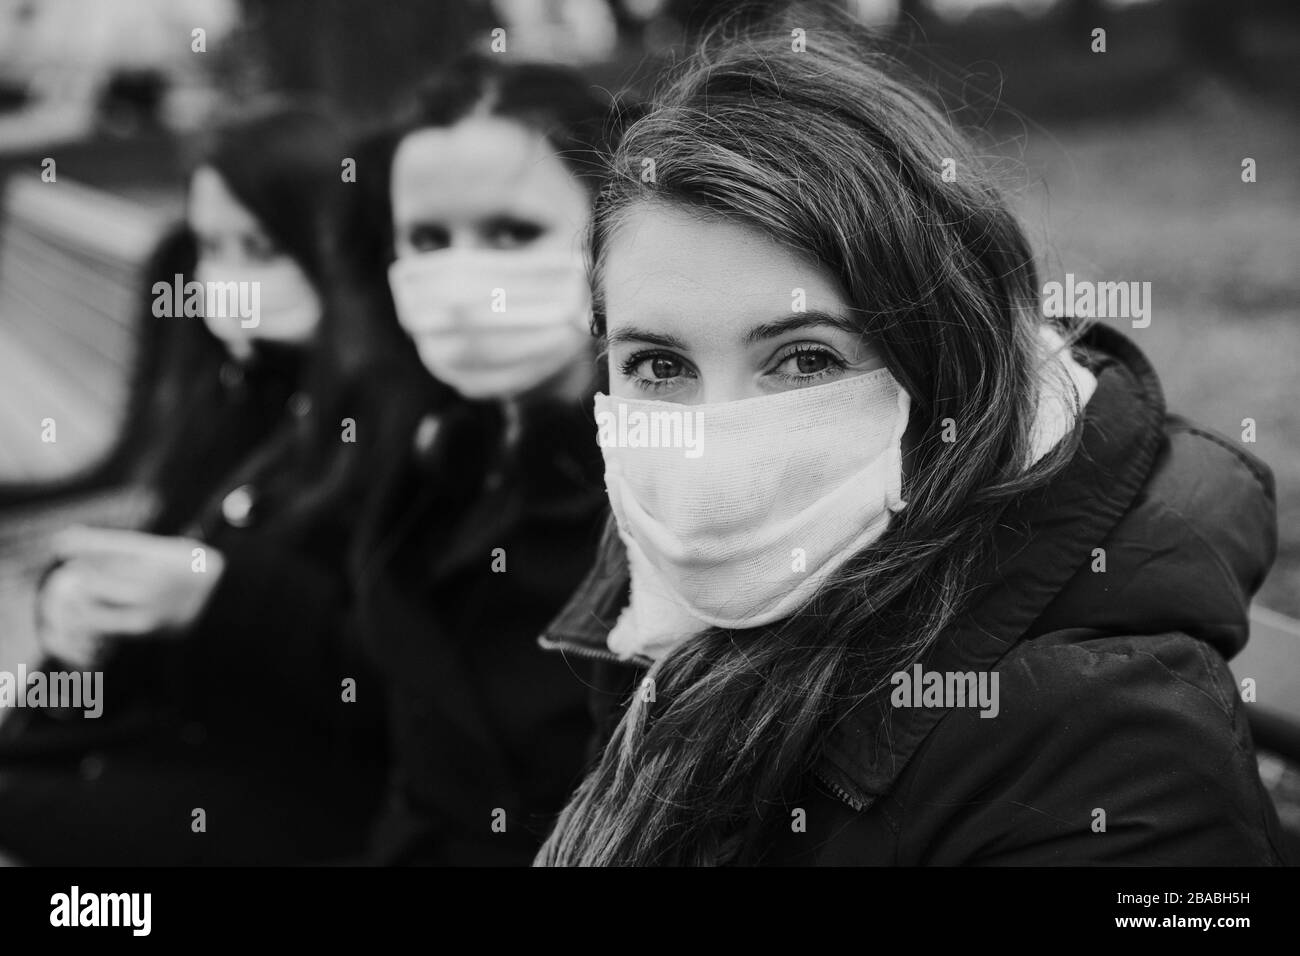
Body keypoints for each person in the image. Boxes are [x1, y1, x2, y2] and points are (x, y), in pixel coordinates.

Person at [536, 19, 1289, 866]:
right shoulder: (656, 609)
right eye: (659, 363)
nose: (713, 442)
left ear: (944, 366)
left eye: (804, 358)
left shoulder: (1109, 744)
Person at [0, 102, 388, 865]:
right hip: (202, 735)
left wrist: (219, 599)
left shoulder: (391, 422)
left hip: (307, 790)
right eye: (212, 246)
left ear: (335, 250)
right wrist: (70, 597)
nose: (226, 279)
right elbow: (173, 541)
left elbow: (393, 682)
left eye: (261, 248)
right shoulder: (248, 392)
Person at [334, 55, 624, 865]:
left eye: (512, 231)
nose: (465, 279)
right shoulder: (429, 445)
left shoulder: (656, 488)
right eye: (428, 237)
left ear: (612, 229)